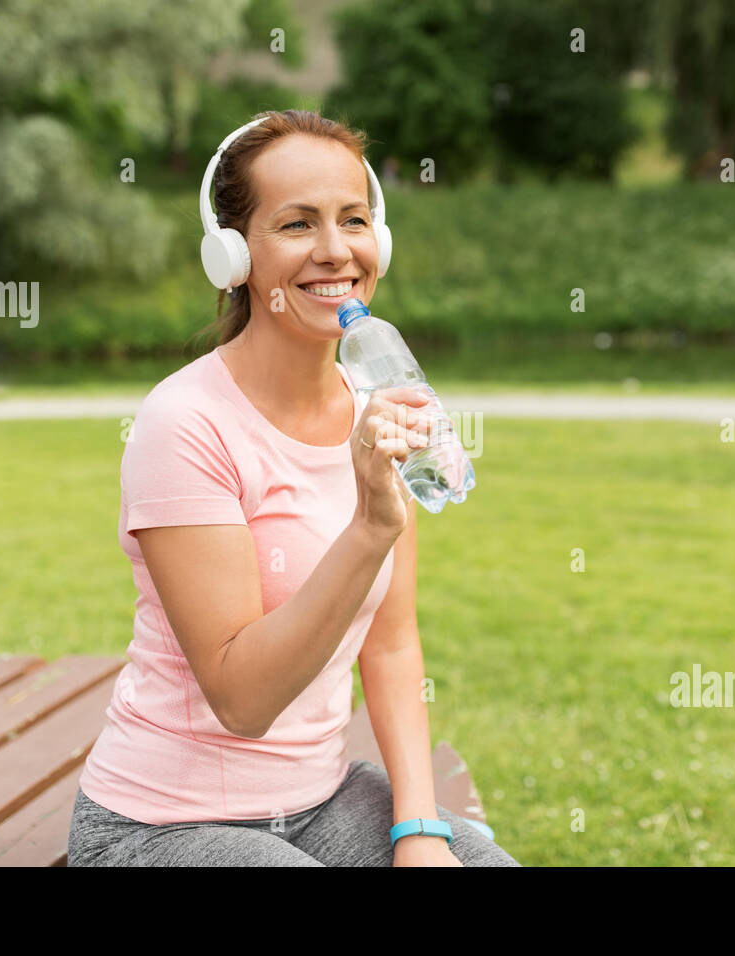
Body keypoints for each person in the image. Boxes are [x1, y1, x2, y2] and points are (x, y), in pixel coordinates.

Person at [67, 109, 520, 867]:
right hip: (159, 828)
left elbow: (393, 642)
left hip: (319, 805)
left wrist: (418, 830)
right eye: (298, 225)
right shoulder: (185, 423)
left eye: (354, 219)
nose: (336, 251)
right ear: (232, 254)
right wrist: (370, 527)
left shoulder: (375, 405)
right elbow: (243, 701)